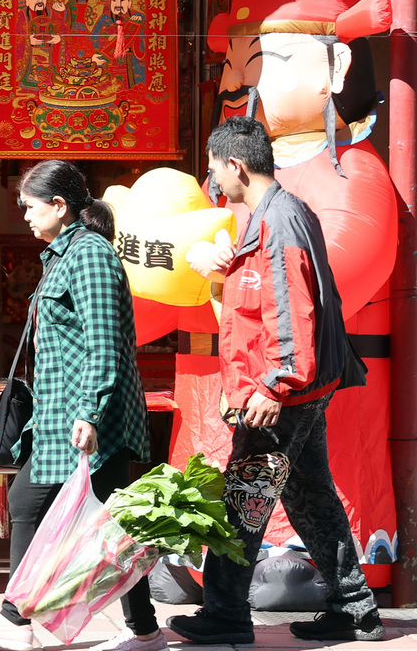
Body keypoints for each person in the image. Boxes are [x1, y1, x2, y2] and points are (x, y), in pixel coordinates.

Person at [172, 116, 381, 644]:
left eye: (216, 171)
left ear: (235, 165)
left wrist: (273, 385)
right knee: (311, 496)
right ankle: (355, 608)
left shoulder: (278, 219)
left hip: (283, 394)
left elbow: (291, 309)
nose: (215, 182)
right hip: (294, 391)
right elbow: (262, 291)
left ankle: (224, 616)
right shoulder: (274, 214)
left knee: (244, 501)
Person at [0, 159, 158, 651]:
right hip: (64, 415)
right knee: (112, 523)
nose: (24, 215)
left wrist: (89, 411)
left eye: (30, 206)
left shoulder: (89, 256)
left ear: (60, 206)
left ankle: (14, 619)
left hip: (87, 416)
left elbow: (105, 343)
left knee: (28, 504)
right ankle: (146, 629)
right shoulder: (65, 254)